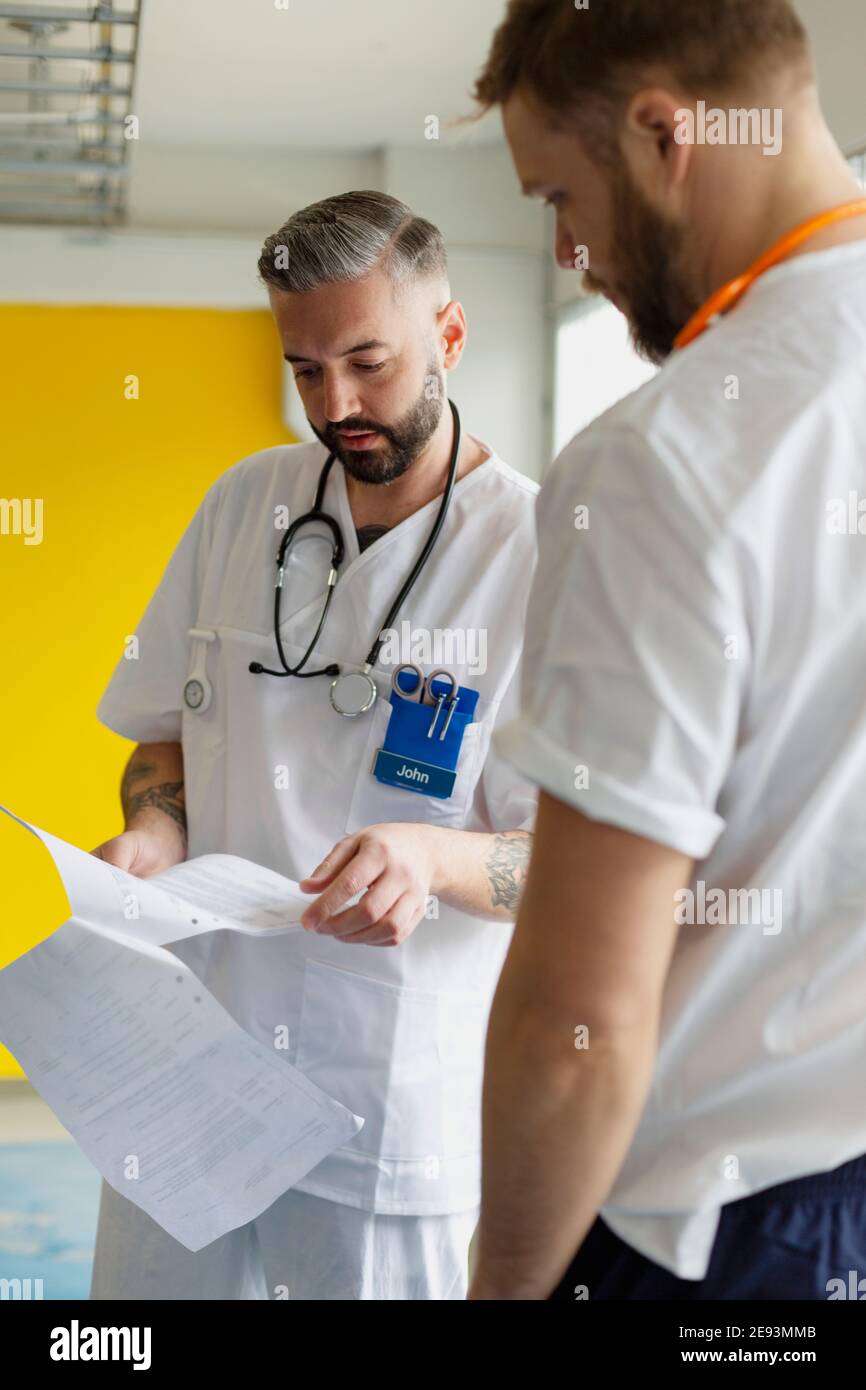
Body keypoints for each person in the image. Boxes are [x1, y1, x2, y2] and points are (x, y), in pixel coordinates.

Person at [467, 0, 866, 1300]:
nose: (570, 249)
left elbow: (576, 1025)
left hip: (714, 1232)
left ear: (659, 134)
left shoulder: (665, 458)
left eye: (558, 195)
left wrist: (504, 1282)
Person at [88, 190, 538, 1300]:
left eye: (366, 362)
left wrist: (430, 861)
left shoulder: (540, 552)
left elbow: (563, 862)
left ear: (448, 335)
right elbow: (163, 742)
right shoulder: (244, 505)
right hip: (186, 1066)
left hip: (377, 1096)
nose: (334, 404)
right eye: (303, 369)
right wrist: (153, 827)